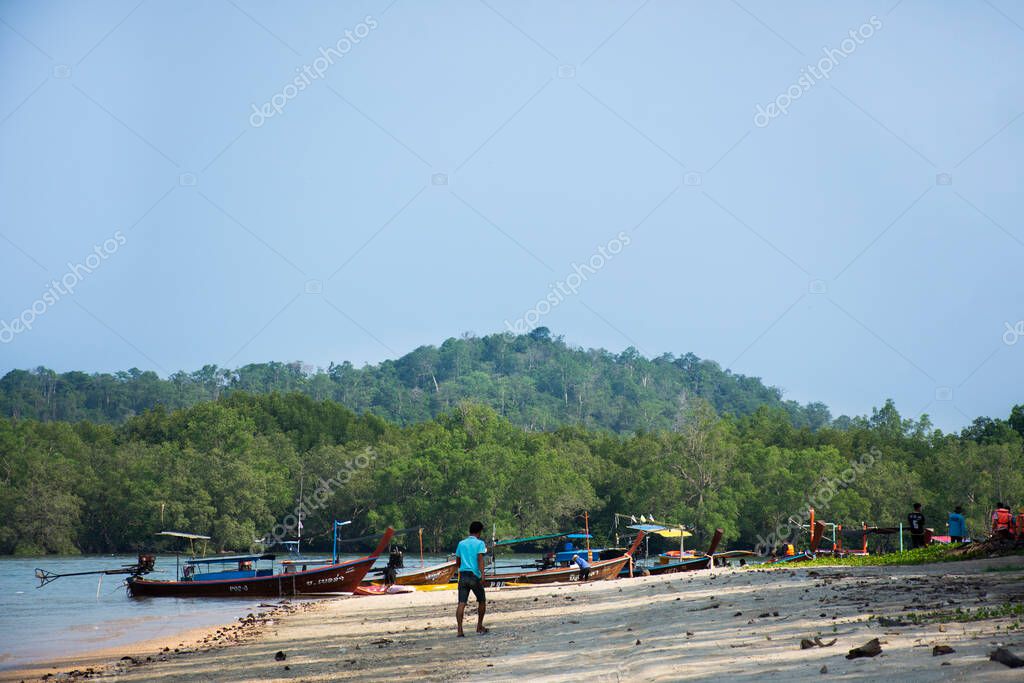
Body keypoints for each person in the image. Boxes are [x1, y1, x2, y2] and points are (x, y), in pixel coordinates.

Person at [455, 521, 488, 637]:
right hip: (474, 576)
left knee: (461, 603)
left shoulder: (461, 544)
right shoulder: (480, 544)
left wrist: (463, 568)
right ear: (479, 532)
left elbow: (457, 562)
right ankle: (479, 626)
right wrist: (483, 575)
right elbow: (480, 560)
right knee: (482, 600)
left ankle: (460, 630)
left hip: (463, 575)